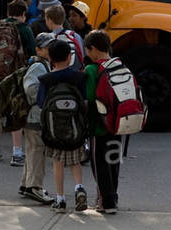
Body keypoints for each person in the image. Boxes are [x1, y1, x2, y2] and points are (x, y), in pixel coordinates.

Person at [37, 38, 88, 212]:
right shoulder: (79, 77)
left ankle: (60, 199)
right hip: (75, 128)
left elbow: (41, 103)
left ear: (50, 58)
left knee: (57, 163)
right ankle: (79, 187)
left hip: (54, 131)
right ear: (69, 57)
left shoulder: (45, 79)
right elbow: (84, 101)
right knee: (75, 162)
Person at [0, 0, 36, 164]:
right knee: (16, 112)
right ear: (23, 14)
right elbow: (32, 51)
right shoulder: (23, 29)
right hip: (16, 75)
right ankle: (17, 153)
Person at [83, 30, 121, 214]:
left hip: (100, 126)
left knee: (99, 163)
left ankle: (105, 202)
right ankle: (113, 196)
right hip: (119, 124)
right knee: (113, 161)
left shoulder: (92, 69)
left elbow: (90, 97)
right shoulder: (119, 65)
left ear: (93, 49)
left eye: (88, 50)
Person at [18, 33, 56, 204]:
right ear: (38, 49)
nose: (50, 50)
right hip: (35, 115)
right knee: (37, 150)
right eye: (47, 47)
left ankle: (26, 184)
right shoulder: (38, 66)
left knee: (32, 149)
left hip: (34, 114)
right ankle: (36, 187)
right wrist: (45, 95)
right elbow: (31, 89)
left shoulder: (44, 64)